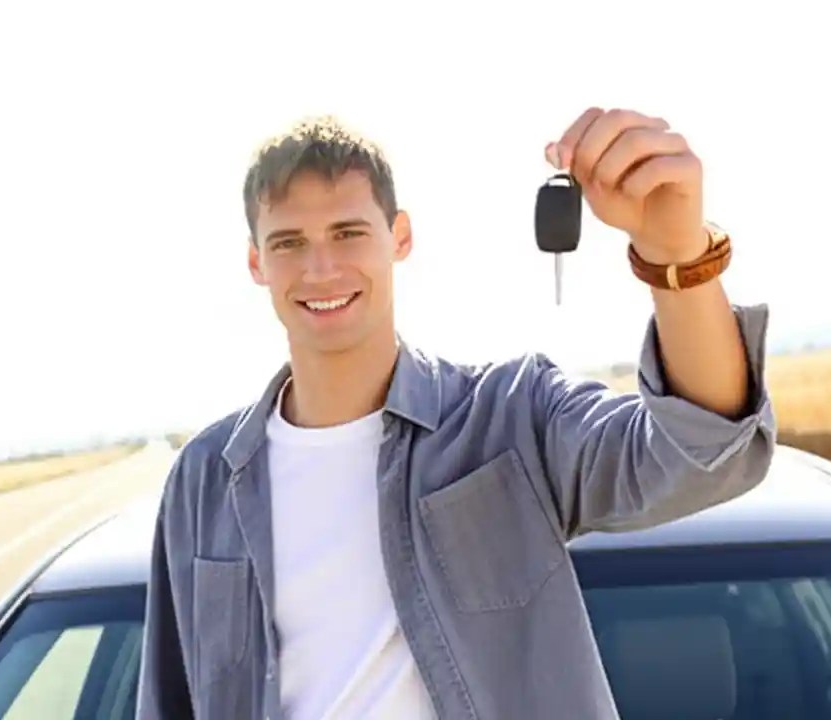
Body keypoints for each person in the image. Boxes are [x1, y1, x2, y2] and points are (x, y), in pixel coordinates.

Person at [136, 108, 777, 719]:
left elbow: (702, 451)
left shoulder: (510, 421)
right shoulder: (203, 483)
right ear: (256, 262)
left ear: (400, 237)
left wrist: (677, 254)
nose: (321, 267)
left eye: (348, 232)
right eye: (289, 243)